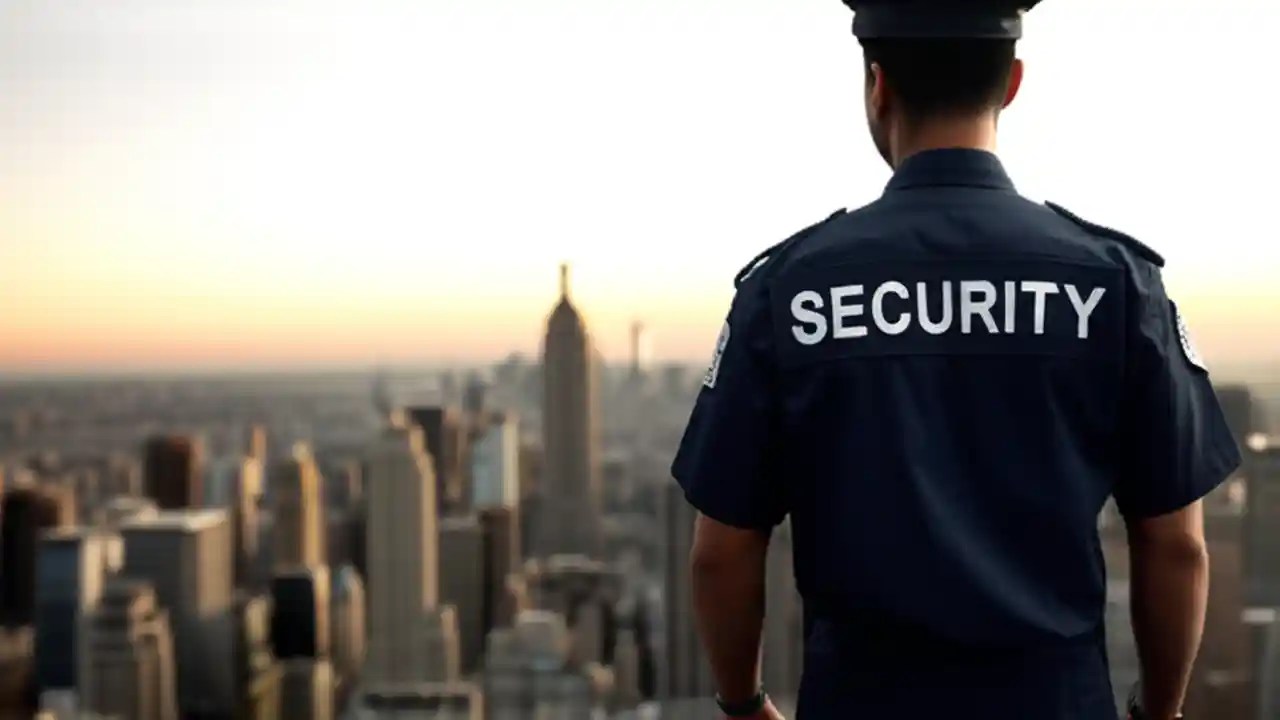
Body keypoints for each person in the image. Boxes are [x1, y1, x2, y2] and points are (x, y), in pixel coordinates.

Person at [670, 1, 1242, 719]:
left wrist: (744, 704)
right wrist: (1157, 711)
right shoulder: (1116, 283)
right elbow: (1175, 545)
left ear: (877, 86)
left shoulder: (789, 289)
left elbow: (721, 549)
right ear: (1013, 83)